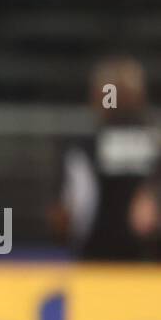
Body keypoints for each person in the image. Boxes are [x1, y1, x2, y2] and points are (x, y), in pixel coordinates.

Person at [49, 57, 160, 262]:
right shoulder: (155, 144)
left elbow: (67, 213)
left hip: (99, 264)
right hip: (148, 267)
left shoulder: (84, 149)